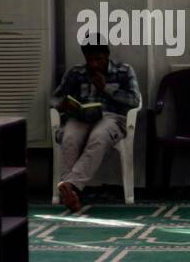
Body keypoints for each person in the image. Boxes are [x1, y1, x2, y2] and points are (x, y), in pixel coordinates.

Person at [51, 37, 141, 213]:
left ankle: (70, 187)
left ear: (107, 55)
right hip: (80, 117)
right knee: (69, 138)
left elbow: (134, 100)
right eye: (90, 60)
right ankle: (71, 192)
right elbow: (55, 97)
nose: (94, 64)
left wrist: (106, 88)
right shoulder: (76, 73)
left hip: (111, 118)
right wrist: (60, 105)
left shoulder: (123, 71)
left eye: (98, 59)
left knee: (98, 138)